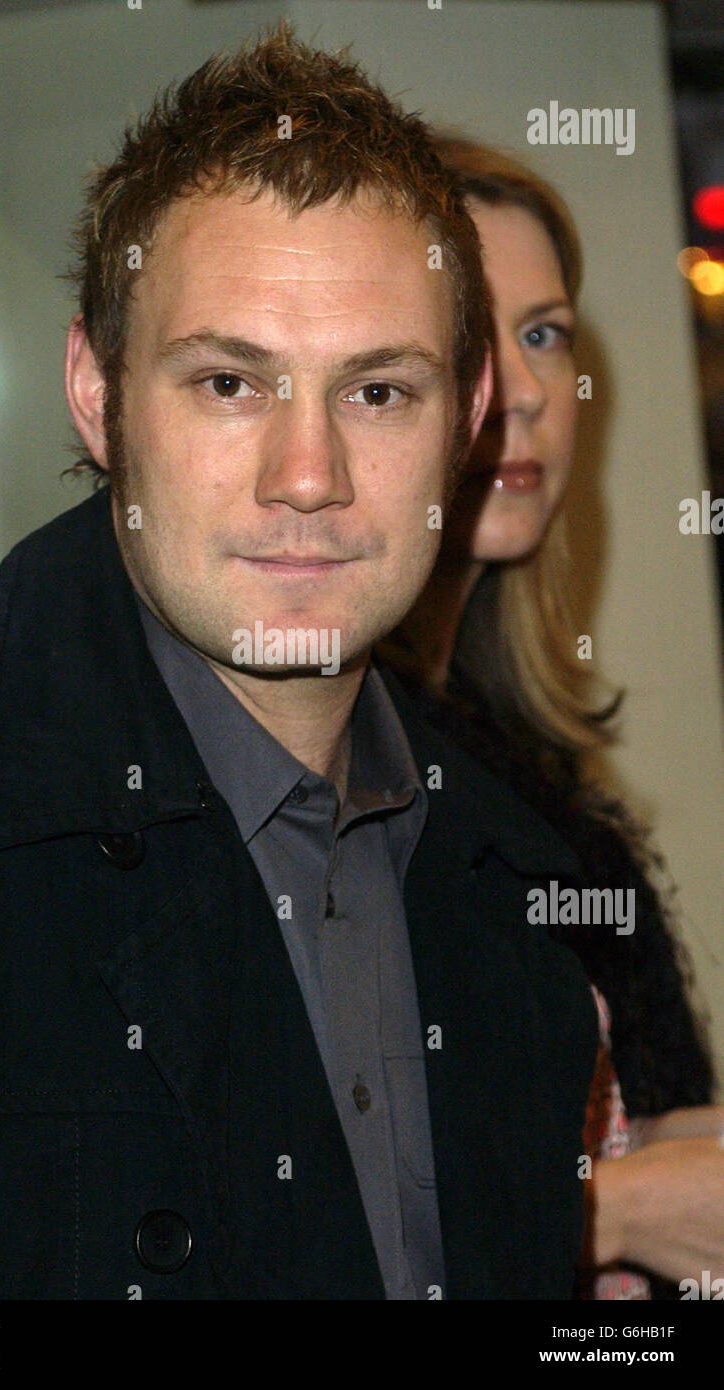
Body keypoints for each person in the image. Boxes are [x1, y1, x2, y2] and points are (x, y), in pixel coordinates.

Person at [0, 23, 601, 1300]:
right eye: (228, 385)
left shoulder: (513, 903)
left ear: (468, 415)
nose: (304, 478)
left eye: (376, 393)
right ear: (96, 391)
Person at [379, 137, 721, 1299]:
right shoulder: (322, 736)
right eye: (473, 335)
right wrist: (601, 1209)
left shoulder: (515, 743)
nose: (521, 392)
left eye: (543, 333)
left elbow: (662, 1095)